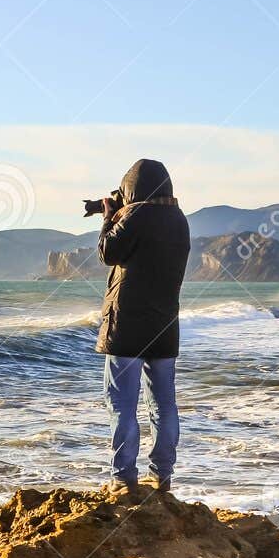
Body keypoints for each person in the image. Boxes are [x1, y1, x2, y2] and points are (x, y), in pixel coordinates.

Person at [96, 158, 191, 491]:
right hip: (165, 324)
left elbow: (108, 252)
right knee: (163, 403)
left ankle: (123, 479)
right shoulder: (180, 220)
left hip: (126, 326)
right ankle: (162, 475)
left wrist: (109, 216)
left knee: (122, 403)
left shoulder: (136, 216)